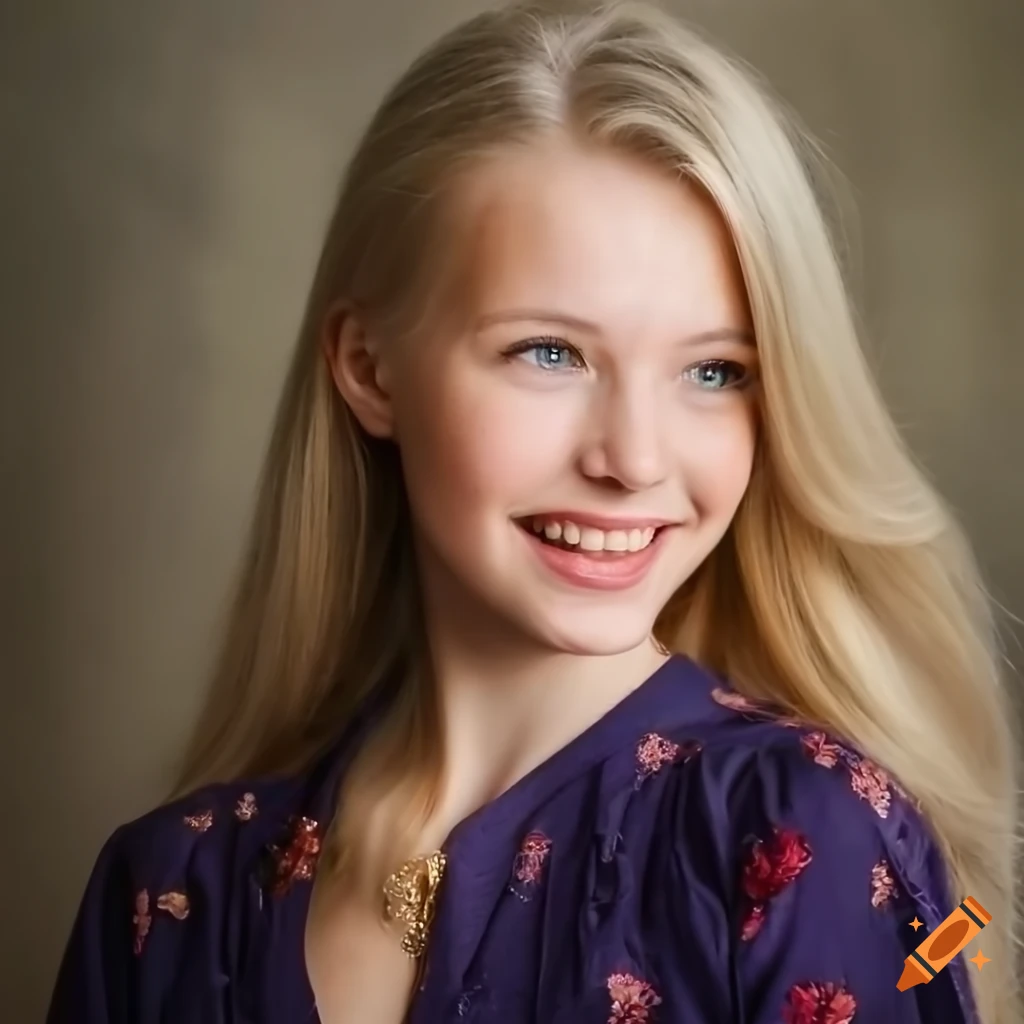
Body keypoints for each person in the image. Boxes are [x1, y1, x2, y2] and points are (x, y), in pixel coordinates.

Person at [47, 1, 1019, 1022]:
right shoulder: (166, 899)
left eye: (714, 369)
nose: (633, 459)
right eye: (549, 352)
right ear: (369, 368)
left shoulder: (796, 839)